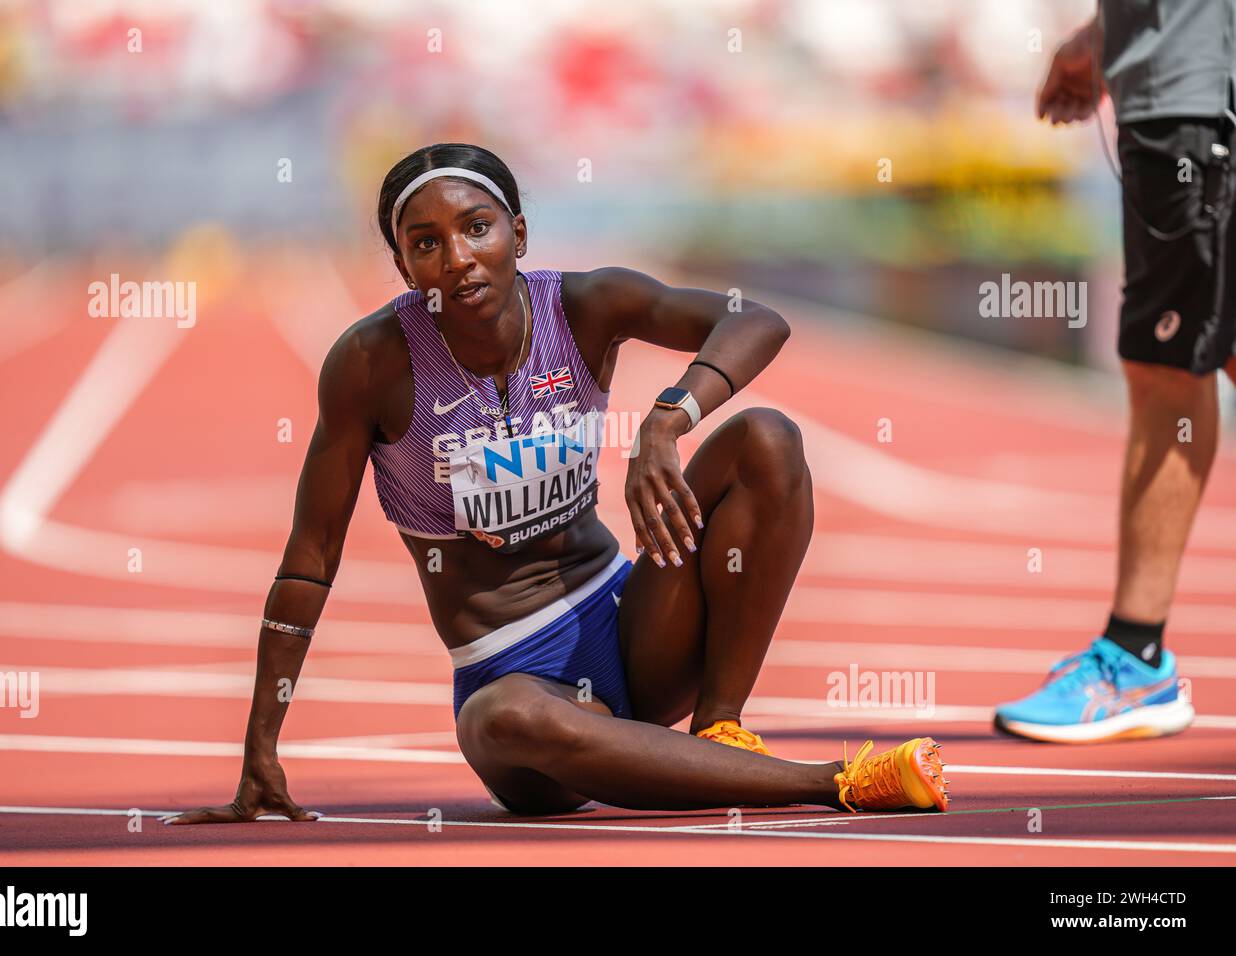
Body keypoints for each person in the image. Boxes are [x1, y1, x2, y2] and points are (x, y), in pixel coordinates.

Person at [165, 142, 948, 822]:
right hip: (515, 678)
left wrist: (668, 419)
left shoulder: (582, 306)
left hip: (635, 624)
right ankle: (837, 782)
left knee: (767, 441)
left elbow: (757, 319)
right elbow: (309, 560)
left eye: (478, 228)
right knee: (499, 718)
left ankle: (721, 729)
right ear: (402, 265)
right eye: (426, 243)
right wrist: (261, 745)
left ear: (519, 234)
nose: (459, 258)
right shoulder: (372, 364)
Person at [995, 0, 1233, 742]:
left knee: (1168, 371)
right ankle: (1137, 660)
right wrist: (1108, 35)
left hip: (1193, 99)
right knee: (1196, 352)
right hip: (1187, 85)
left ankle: (1135, 661)